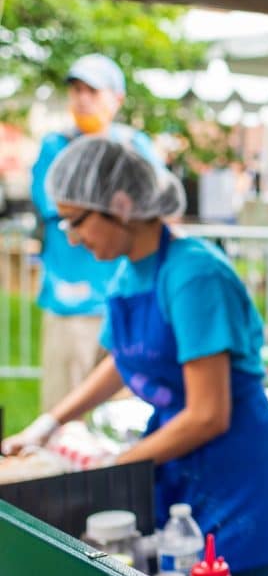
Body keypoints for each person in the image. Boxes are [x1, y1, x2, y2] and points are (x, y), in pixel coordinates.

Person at [5, 137, 268, 576]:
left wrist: (118, 465)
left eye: (77, 221)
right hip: (181, 474)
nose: (73, 237)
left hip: (239, 486)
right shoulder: (129, 273)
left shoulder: (193, 276)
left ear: (120, 206)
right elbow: (123, 360)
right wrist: (50, 422)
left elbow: (208, 414)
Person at [31, 54, 162, 411]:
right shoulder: (55, 147)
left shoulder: (136, 146)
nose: (82, 98)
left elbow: (156, 211)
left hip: (129, 297)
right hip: (72, 301)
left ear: (116, 98)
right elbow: (58, 208)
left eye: (92, 90)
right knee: (65, 412)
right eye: (76, 90)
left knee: (122, 412)